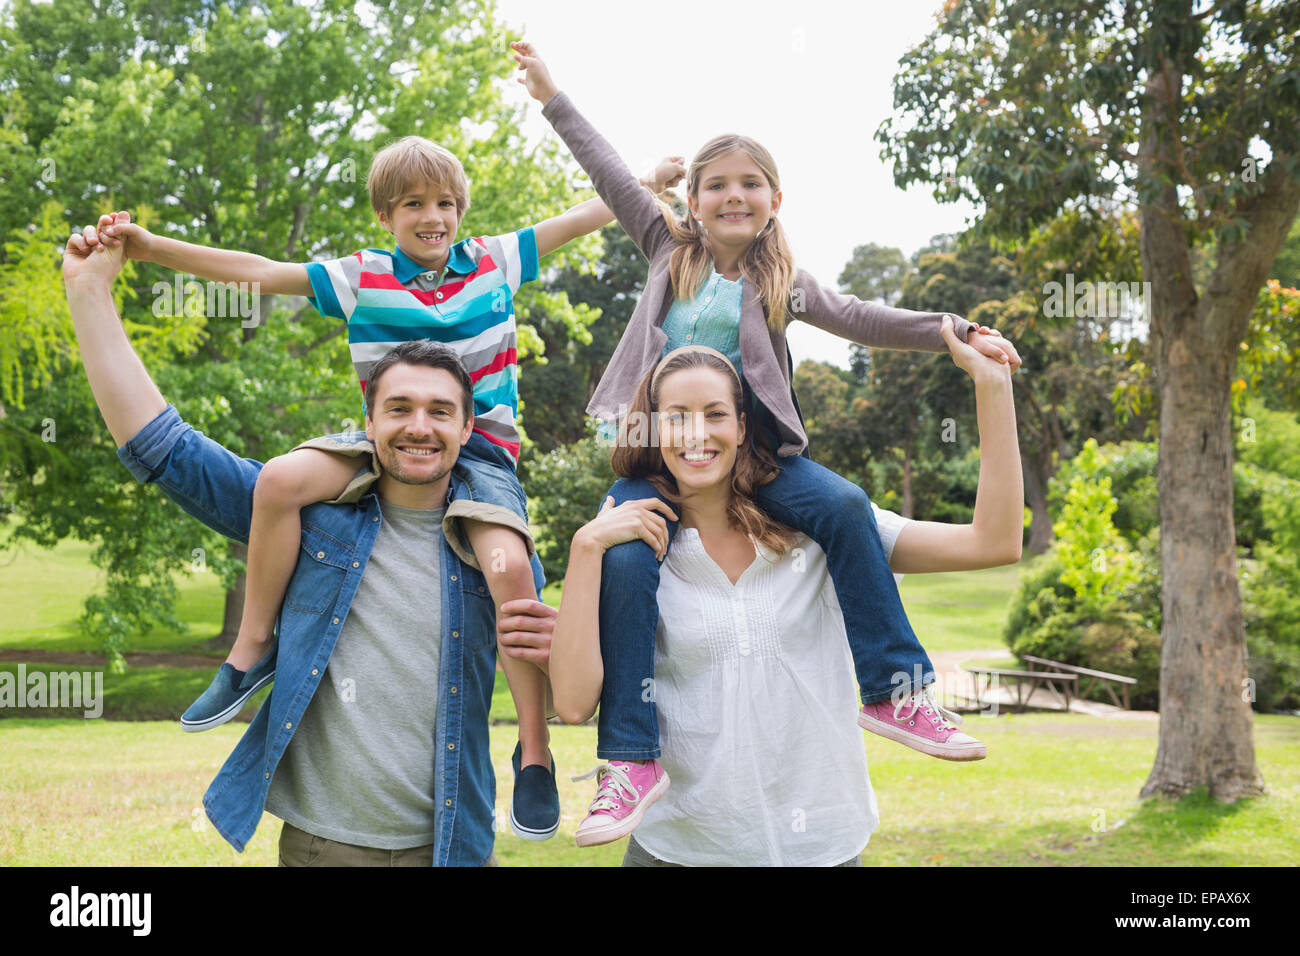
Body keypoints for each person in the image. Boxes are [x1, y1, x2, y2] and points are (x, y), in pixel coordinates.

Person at [87, 139, 683, 839]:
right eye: (414, 206)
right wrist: (152, 249)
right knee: (278, 478)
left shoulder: (495, 261)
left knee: (511, 569)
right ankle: (250, 650)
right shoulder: (360, 278)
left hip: (483, 456)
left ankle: (534, 751)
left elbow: (584, 215)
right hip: (382, 447)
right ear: (384, 214)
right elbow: (258, 272)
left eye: (445, 205)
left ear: (462, 210)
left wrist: (642, 182)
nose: (433, 218)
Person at [511, 41, 1023, 844]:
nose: (733, 196)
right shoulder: (665, 248)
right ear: (694, 197)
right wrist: (552, 96)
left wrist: (950, 329)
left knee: (847, 506)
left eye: (750, 184)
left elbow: (861, 317)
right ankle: (631, 761)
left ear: (775, 198)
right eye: (717, 184)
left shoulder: (783, 281)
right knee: (625, 557)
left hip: (758, 458)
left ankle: (892, 690)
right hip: (655, 453)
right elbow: (609, 171)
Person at [62, 226, 556, 866]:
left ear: (469, 426)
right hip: (321, 849)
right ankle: (250, 650)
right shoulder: (310, 521)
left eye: (440, 411)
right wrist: (88, 292)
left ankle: (535, 757)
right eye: (399, 407)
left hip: (448, 847)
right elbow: (164, 448)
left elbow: (573, 678)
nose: (418, 427)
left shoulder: (497, 555)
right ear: (368, 420)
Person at [550, 327, 1023, 865]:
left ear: (744, 424)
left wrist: (992, 385)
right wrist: (585, 549)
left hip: (821, 847)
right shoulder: (627, 547)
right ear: (653, 428)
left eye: (715, 414)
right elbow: (571, 703)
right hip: (678, 850)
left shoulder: (826, 530)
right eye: (676, 416)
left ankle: (896, 699)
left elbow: (995, 542)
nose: (695, 434)